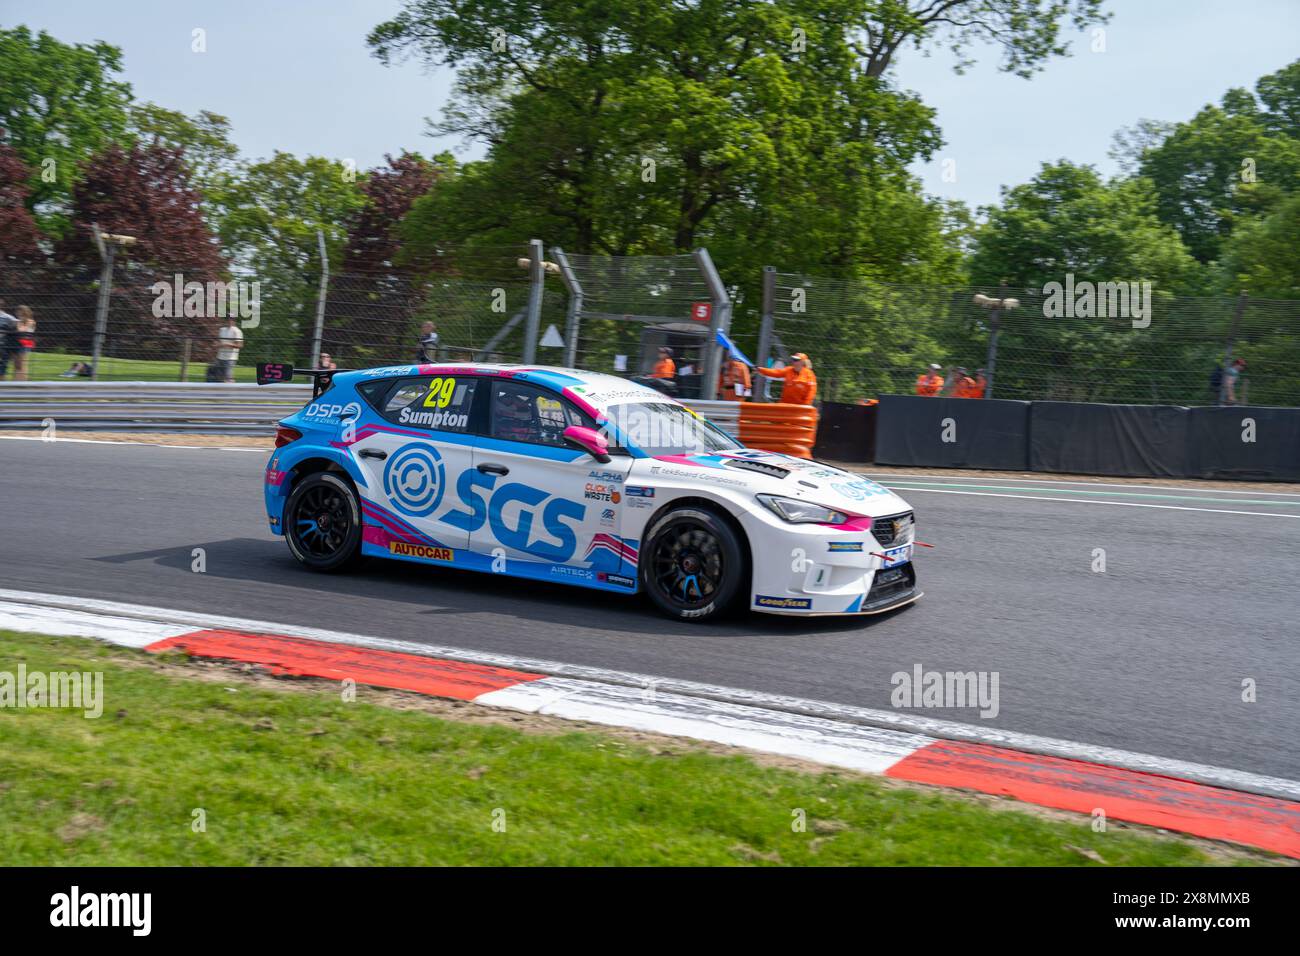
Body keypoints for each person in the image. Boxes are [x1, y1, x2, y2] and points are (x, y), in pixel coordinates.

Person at [216, 316, 243, 383]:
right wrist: (217, 345)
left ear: (234, 321)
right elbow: (218, 341)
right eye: (228, 319)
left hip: (230, 358)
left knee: (229, 377)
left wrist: (227, 344)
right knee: (220, 378)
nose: (230, 320)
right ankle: (222, 391)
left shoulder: (237, 331)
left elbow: (240, 345)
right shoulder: (222, 330)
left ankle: (231, 391)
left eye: (232, 319)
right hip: (220, 356)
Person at [11, 305, 35, 381]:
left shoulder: (30, 321)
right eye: (17, 311)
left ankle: (23, 380)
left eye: (19, 311)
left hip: (25, 344)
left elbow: (21, 330)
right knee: (16, 363)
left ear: (24, 312)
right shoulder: (18, 321)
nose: (17, 313)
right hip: (16, 343)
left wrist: (19, 322)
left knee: (22, 364)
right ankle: (16, 380)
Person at [0, 299, 16, 380]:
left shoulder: (8, 318)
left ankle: (2, 383)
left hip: (3, 345)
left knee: (2, 365)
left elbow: (16, 326)